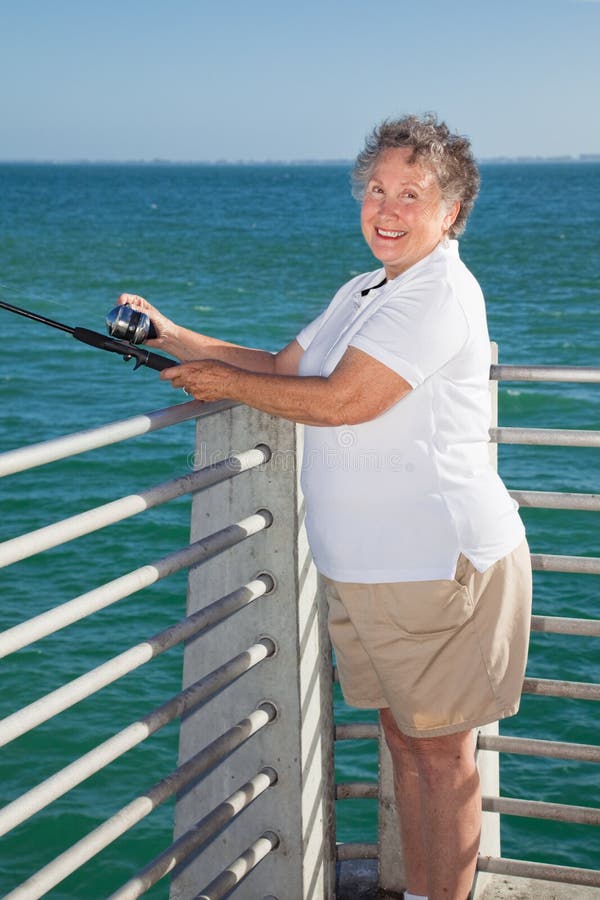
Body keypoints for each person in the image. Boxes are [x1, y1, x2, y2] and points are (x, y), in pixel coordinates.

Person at [118, 113, 532, 900]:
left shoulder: (438, 291)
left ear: (451, 212)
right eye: (376, 188)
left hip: (437, 568)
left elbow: (344, 400)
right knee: (406, 746)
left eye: (412, 193)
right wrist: (174, 337)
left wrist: (228, 389)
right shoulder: (367, 289)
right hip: (372, 571)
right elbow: (282, 367)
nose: (387, 207)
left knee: (441, 757)